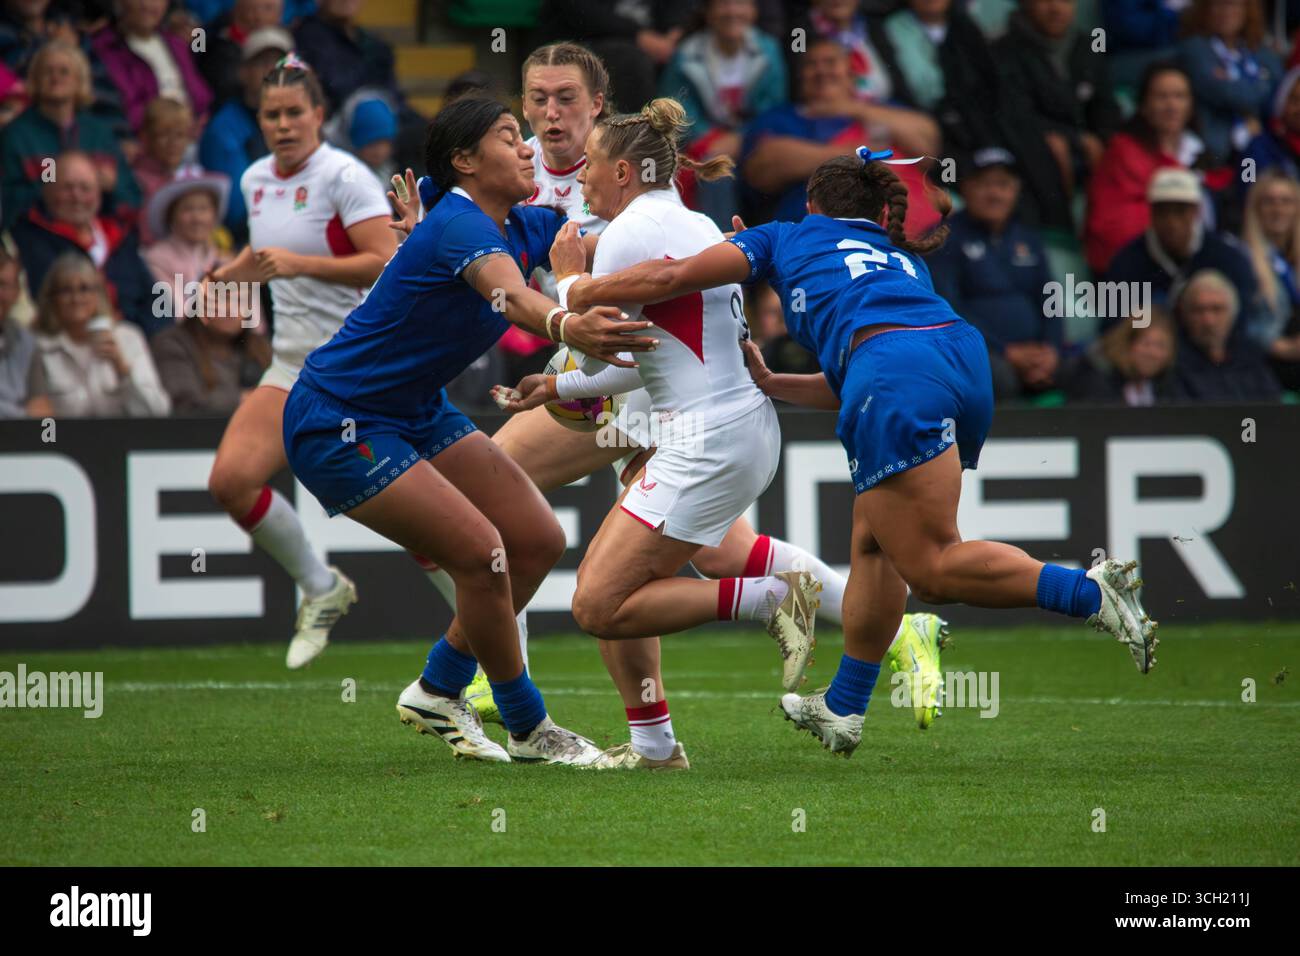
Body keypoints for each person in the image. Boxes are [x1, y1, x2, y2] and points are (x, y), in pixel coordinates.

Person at [406, 45, 950, 759]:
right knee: (712, 557)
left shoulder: (626, 206)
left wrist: (568, 298)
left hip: (640, 385)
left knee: (486, 523)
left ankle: (478, 677)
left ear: (600, 108)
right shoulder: (526, 175)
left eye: (565, 97)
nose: (547, 114)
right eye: (535, 98)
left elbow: (622, 311)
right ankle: (664, 730)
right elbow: (478, 254)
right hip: (630, 377)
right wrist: (424, 238)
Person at [565, 146, 1159, 757]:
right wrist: (776, 385)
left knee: (929, 566)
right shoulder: (900, 258)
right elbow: (864, 366)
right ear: (879, 211)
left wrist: (576, 287)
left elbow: (668, 278)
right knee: (873, 539)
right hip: (958, 360)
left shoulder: (785, 233)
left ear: (813, 204)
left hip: (894, 375)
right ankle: (845, 706)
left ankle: (1088, 592)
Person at [282, 96, 659, 764]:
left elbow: (609, 251)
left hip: (415, 411)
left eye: (523, 135)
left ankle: (438, 687)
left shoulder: (523, 222)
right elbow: (512, 296)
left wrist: (710, 254)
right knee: (484, 555)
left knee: (537, 540)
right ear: (464, 161)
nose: (525, 146)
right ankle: (528, 728)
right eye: (508, 134)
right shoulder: (459, 225)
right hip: (340, 417)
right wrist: (571, 324)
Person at [499, 99, 826, 770]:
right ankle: (654, 747)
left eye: (589, 166)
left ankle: (774, 597)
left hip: (703, 439)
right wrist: (553, 387)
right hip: (739, 432)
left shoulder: (625, 234)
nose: (580, 179)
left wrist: (567, 282)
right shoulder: (697, 221)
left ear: (622, 170)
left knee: (597, 603)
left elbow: (593, 351)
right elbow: (639, 357)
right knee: (618, 589)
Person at [203, 56, 397, 669]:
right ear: (258, 121)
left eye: (294, 113)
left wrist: (299, 263)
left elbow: (385, 259)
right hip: (291, 365)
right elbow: (267, 255)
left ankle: (488, 649)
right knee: (230, 482)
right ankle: (321, 586)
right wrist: (229, 275)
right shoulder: (254, 178)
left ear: (318, 115)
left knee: (416, 525)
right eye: (271, 115)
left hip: (358, 366)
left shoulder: (347, 177)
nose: (283, 124)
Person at [741, 35, 939, 231]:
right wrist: (854, 154)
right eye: (811, 64)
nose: (821, 70)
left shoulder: (879, 109)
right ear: (800, 76)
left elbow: (928, 143)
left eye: (830, 62)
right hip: (821, 238)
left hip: (914, 232)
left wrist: (853, 109)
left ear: (851, 74)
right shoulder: (782, 118)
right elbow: (761, 171)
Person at [927, 146, 1059, 401]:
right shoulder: (945, 238)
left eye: (1003, 184)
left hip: (1035, 352)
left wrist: (1050, 350)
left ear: (1016, 190)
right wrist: (1006, 351)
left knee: (1081, 371)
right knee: (996, 374)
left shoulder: (1029, 238)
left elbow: (1050, 299)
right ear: (965, 188)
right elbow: (948, 308)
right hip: (980, 351)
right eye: (984, 184)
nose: (995, 194)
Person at [992, 0, 1122, 230]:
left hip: (1086, 156)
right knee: (1048, 149)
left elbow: (1106, 110)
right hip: (1033, 157)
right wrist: (1075, 139)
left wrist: (1100, 141)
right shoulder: (1004, 50)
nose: (1056, 8)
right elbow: (1015, 115)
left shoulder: (1087, 46)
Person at [657, 0, 787, 227]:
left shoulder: (769, 50)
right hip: (702, 146)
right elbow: (675, 111)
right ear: (708, 13)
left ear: (754, 11)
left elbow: (774, 109)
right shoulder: (686, 54)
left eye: (741, 4)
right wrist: (712, 140)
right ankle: (721, 247)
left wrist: (740, 138)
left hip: (755, 142)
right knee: (716, 171)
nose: (732, 11)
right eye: (723, 4)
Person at [10, 150, 158, 335]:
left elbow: (155, 302)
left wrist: (141, 341)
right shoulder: (30, 238)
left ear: (98, 193)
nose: (77, 196)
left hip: (132, 341)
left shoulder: (120, 235)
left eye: (85, 188)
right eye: (67, 188)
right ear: (47, 191)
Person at [1104, 167, 1263, 338]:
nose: (1172, 222)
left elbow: (1245, 320)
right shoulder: (1127, 262)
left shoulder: (1227, 257)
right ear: (1151, 213)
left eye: (1180, 211)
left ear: (1196, 211)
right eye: (1163, 212)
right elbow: (1114, 328)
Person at [0, 38, 140, 232]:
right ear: (34, 81)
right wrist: (49, 188)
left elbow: (133, 197)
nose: (56, 78)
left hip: (101, 237)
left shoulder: (100, 133)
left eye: (64, 72)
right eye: (47, 72)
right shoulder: (16, 135)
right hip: (38, 238)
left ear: (79, 81)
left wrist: (111, 187)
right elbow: (6, 200)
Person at [1085, 62, 1204, 275]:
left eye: (1179, 96)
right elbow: (1111, 224)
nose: (1171, 105)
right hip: (1136, 272)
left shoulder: (1204, 153)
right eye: (1161, 96)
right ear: (1143, 105)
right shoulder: (1123, 152)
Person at [32, 251, 170, 416]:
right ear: (52, 298)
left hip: (121, 439)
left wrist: (122, 369)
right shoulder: (38, 346)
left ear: (99, 294)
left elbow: (157, 411)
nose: (76, 298)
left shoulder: (127, 338)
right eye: (66, 290)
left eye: (84, 289)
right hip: (61, 439)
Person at [197, 26, 289, 243]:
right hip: (245, 241)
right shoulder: (224, 127)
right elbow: (238, 210)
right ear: (243, 72)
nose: (272, 71)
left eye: (280, 64)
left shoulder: (300, 121)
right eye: (262, 63)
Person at [1177, 0, 1281, 164]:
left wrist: (1234, 85)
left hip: (1257, 145)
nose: (1225, 11)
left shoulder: (1259, 51)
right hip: (1218, 150)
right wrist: (1261, 83)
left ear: (1247, 9)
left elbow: (1278, 91)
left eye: (1232, 4)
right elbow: (1226, 93)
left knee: (1257, 177)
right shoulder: (1195, 49)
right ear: (1205, 10)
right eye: (1217, 4)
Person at [91, 0, 213, 136]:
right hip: (149, 143)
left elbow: (202, 99)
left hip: (193, 140)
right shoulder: (104, 49)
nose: (147, 5)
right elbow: (122, 112)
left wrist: (201, 121)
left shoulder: (178, 45)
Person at [1173, 268, 1282, 400]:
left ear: (1233, 313)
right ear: (1184, 314)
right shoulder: (1173, 362)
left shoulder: (1250, 355)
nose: (1208, 321)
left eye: (1217, 309)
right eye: (1198, 310)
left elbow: (1273, 405)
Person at [1239, 169, 1300, 389]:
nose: (1278, 209)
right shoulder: (1242, 260)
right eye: (1269, 202)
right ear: (1256, 209)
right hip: (1266, 370)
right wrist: (1281, 347)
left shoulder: (1291, 259)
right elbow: (1237, 325)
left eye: (1286, 201)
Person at [151, 309, 271, 415]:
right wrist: (246, 399)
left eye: (239, 301)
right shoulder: (174, 343)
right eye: (221, 300)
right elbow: (186, 404)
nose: (230, 309)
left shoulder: (259, 346)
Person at [1062, 307, 1183, 405]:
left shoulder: (1167, 386)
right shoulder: (1094, 378)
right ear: (1127, 343)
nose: (1152, 353)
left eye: (1161, 346)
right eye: (1146, 344)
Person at [131, 96, 196, 245]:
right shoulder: (137, 181)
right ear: (145, 138)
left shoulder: (188, 176)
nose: (173, 143)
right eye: (163, 135)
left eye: (180, 135)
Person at [0, 247, 52, 417]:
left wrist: (48, 441)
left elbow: (43, 411)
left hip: (19, 440)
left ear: (17, 293)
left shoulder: (25, 340)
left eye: (3, 285)